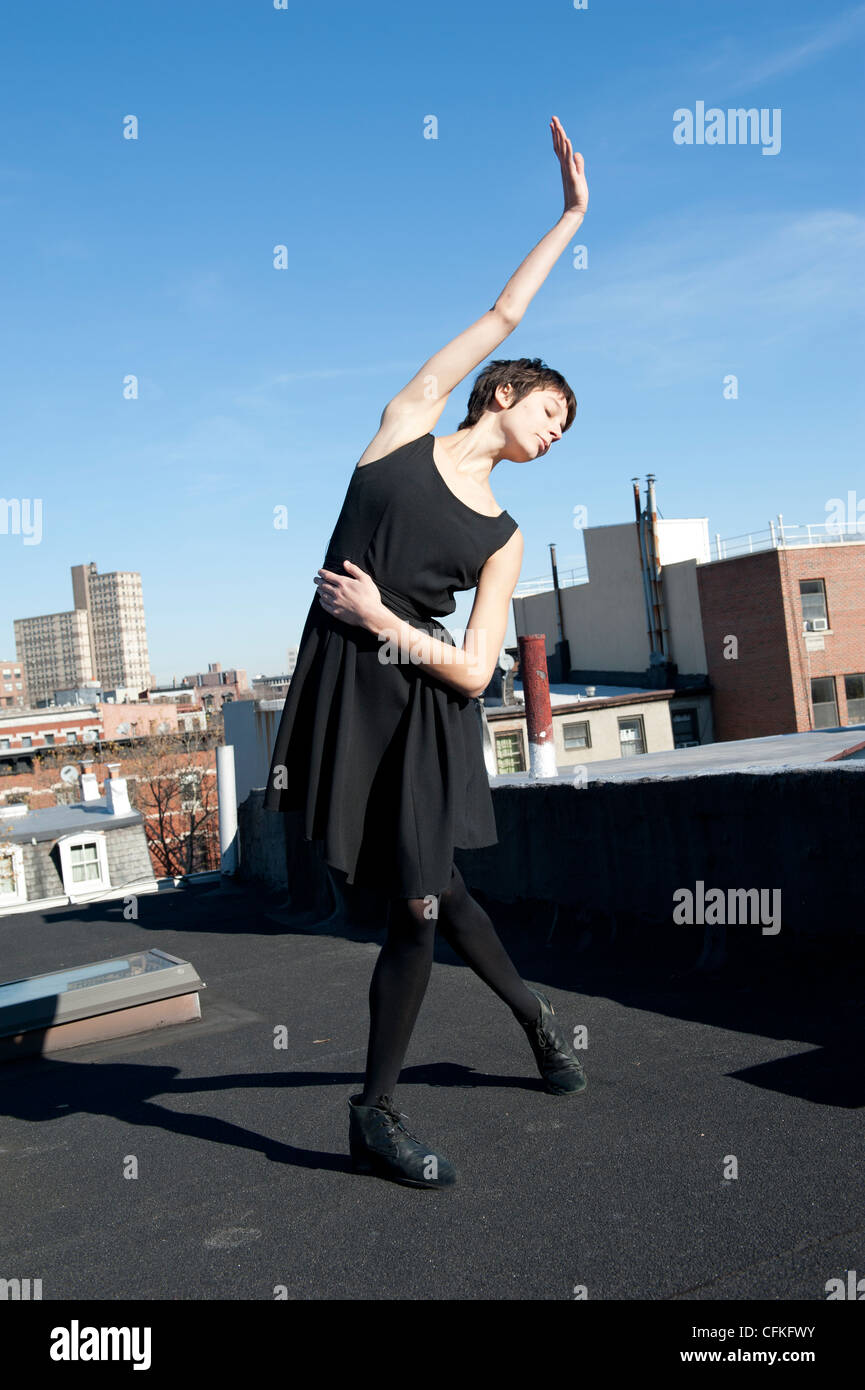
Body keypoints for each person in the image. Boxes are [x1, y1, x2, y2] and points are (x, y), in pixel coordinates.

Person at [265, 115, 589, 1190]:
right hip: (342, 689)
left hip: (418, 703)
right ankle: (537, 1019)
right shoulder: (405, 423)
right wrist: (570, 217)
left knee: (415, 905)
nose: (552, 433)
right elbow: (503, 311)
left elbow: (477, 670)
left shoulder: (505, 536)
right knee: (440, 893)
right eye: (548, 410)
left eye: (564, 430)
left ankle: (375, 1112)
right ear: (500, 392)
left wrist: (388, 626)